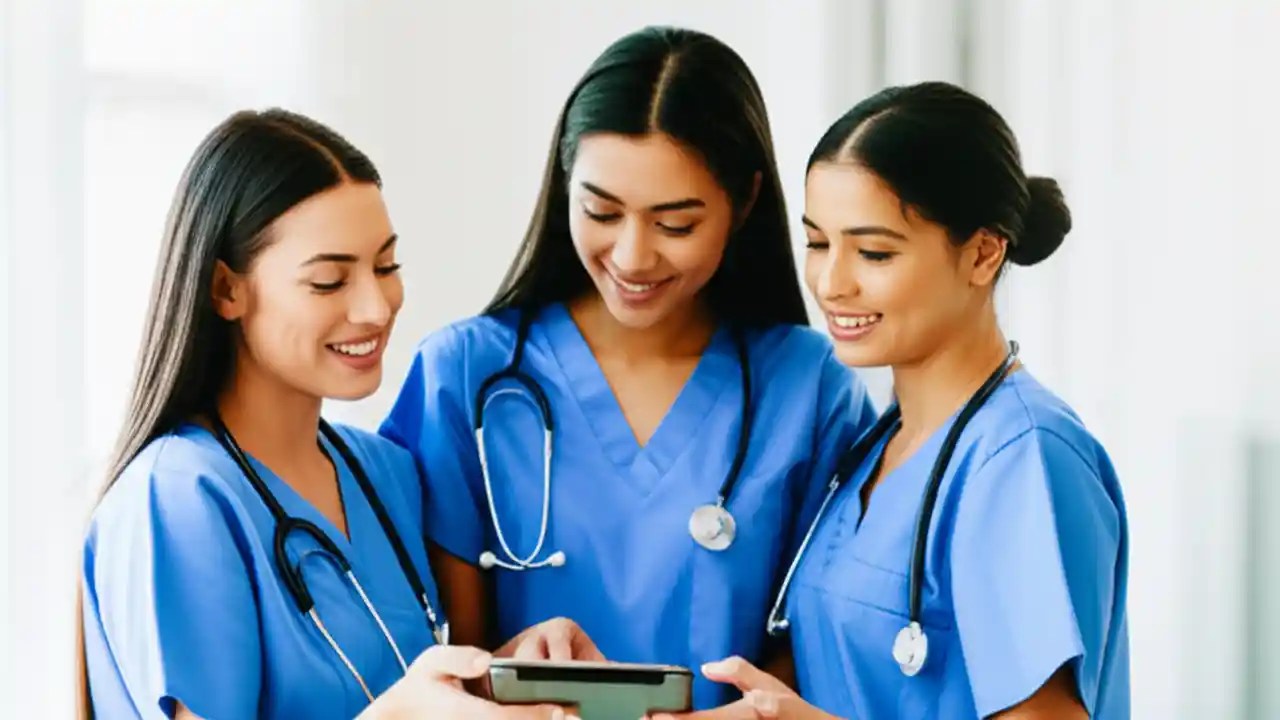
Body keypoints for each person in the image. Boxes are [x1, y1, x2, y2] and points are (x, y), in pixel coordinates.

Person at [379, 26, 878, 709]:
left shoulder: (811, 391)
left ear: (746, 200)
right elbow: (436, 660)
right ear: (564, 189)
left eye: (675, 225)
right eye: (601, 211)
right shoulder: (463, 376)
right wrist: (509, 661)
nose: (634, 257)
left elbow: (823, 647)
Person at [77, 109, 588, 720]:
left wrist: (496, 678)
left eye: (386, 266)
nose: (376, 307)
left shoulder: (384, 475)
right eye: (328, 281)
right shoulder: (177, 500)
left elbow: (386, 689)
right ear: (225, 290)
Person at [661, 82, 1130, 719]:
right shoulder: (877, 447)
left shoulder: (1024, 459)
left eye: (875, 252)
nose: (832, 283)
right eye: (819, 243)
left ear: (984, 253)